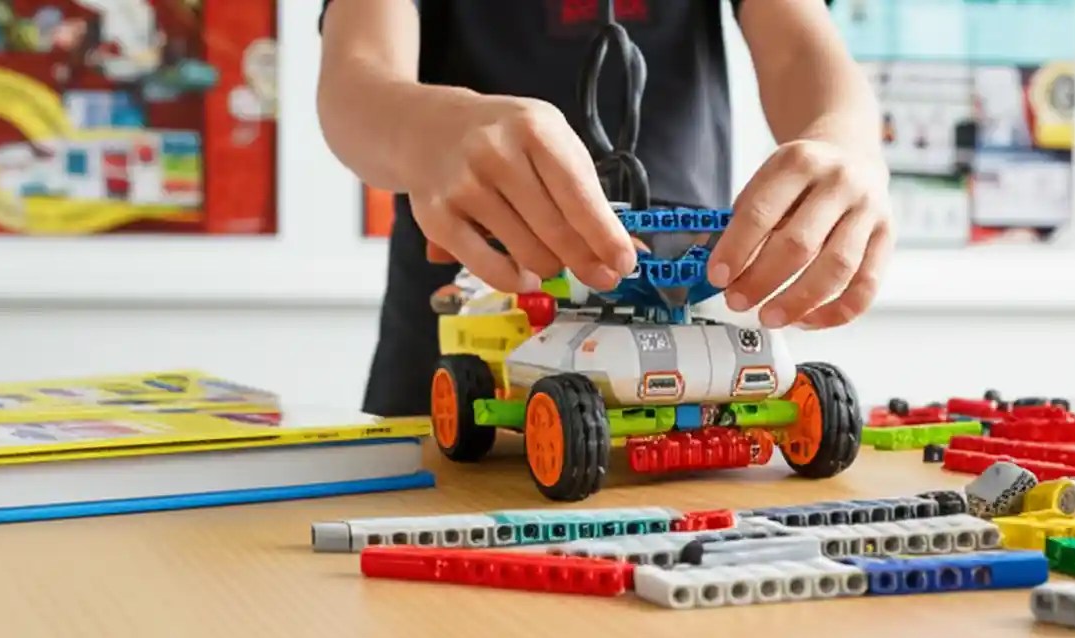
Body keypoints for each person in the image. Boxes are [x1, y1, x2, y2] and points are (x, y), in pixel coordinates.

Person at [316, 0, 892, 417]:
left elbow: (798, 47)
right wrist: (424, 130)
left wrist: (847, 144)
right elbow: (356, 79)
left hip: (693, 315)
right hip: (466, 323)